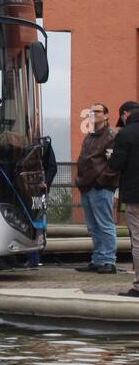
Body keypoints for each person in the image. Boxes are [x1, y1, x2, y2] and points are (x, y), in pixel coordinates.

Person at [75, 103, 119, 274]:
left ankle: (108, 260)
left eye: (98, 111)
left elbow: (113, 163)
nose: (93, 114)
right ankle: (99, 259)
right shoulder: (90, 136)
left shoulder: (111, 135)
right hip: (87, 186)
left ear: (106, 115)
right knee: (93, 226)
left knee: (105, 225)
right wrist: (80, 180)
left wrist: (102, 181)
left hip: (100, 187)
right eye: (92, 111)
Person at [107, 101, 139, 298]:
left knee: (137, 239)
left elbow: (116, 165)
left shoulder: (125, 134)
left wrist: (110, 157)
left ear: (126, 114)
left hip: (135, 196)